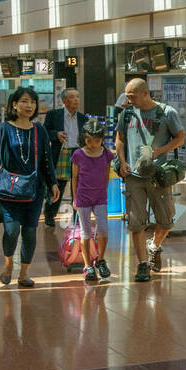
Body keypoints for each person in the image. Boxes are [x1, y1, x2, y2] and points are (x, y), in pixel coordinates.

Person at [0, 87, 58, 287]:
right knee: (12, 230)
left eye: (32, 102)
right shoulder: (3, 129)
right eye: (24, 101)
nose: (29, 105)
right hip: (8, 189)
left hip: (34, 188)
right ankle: (8, 265)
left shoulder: (39, 130)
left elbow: (46, 159)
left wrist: (53, 183)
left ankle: (24, 273)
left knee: (30, 232)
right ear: (14, 104)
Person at [115, 77, 186, 282]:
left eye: (132, 96)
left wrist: (160, 151)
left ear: (145, 93)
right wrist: (122, 161)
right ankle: (142, 264)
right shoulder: (127, 113)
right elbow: (119, 137)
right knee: (136, 222)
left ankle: (154, 246)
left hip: (158, 175)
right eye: (127, 96)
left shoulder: (167, 113)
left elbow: (179, 137)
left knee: (166, 220)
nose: (129, 100)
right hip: (133, 177)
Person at [71, 118, 113, 282]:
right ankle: (88, 265)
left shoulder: (106, 154)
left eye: (97, 140)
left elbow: (107, 174)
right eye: (89, 140)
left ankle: (100, 260)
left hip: (100, 197)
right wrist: (75, 198)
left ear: (102, 139)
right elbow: (74, 178)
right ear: (84, 138)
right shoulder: (78, 154)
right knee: (85, 232)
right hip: (83, 197)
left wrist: (104, 190)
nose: (93, 144)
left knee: (103, 230)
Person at [44, 88, 83, 226]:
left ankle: (77, 218)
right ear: (64, 101)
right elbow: (45, 132)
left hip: (78, 154)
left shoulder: (83, 118)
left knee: (78, 187)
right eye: (72, 97)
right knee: (57, 186)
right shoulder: (54, 115)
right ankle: (49, 216)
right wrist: (56, 134)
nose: (76, 100)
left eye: (77, 96)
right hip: (61, 153)